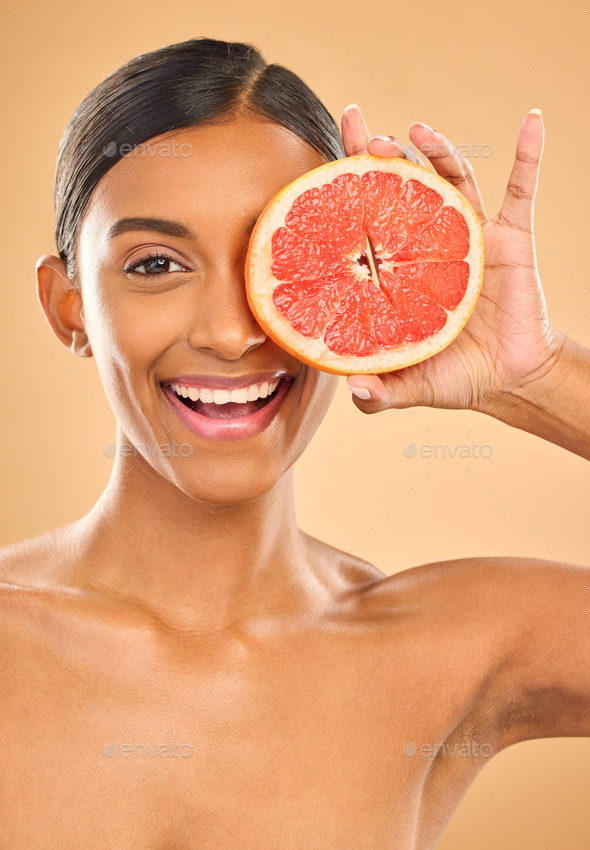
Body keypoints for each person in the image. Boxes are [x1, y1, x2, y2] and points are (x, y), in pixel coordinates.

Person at [1, 36, 588, 849]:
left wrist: (537, 375)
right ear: (68, 307)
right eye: (157, 263)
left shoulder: (448, 645)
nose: (233, 333)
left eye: (279, 260)